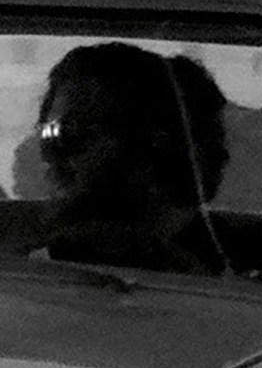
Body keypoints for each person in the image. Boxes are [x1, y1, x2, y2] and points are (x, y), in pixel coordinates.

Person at [34, 42, 231, 272]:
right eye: (47, 133)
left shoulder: (242, 278)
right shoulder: (29, 266)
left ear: (155, 142)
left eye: (73, 134)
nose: (51, 156)